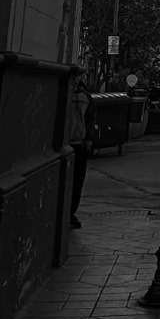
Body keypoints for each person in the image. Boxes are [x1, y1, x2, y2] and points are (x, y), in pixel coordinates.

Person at [68, 72, 94, 228]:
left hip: (80, 143)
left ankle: (71, 211)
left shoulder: (86, 98)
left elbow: (90, 118)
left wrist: (88, 138)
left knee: (77, 180)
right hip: (68, 142)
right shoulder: (66, 95)